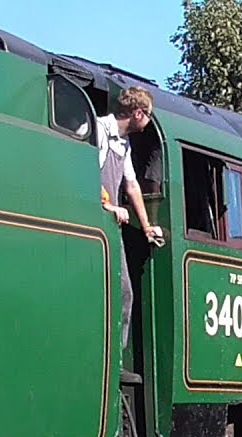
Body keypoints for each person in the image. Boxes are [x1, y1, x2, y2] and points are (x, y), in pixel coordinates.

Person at [97, 86, 165, 384]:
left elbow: (132, 185)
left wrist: (147, 224)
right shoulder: (99, 130)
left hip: (111, 227)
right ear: (138, 113)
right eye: (148, 115)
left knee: (124, 293)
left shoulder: (123, 144)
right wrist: (109, 206)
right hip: (96, 220)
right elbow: (85, 172)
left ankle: (115, 359)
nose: (148, 121)